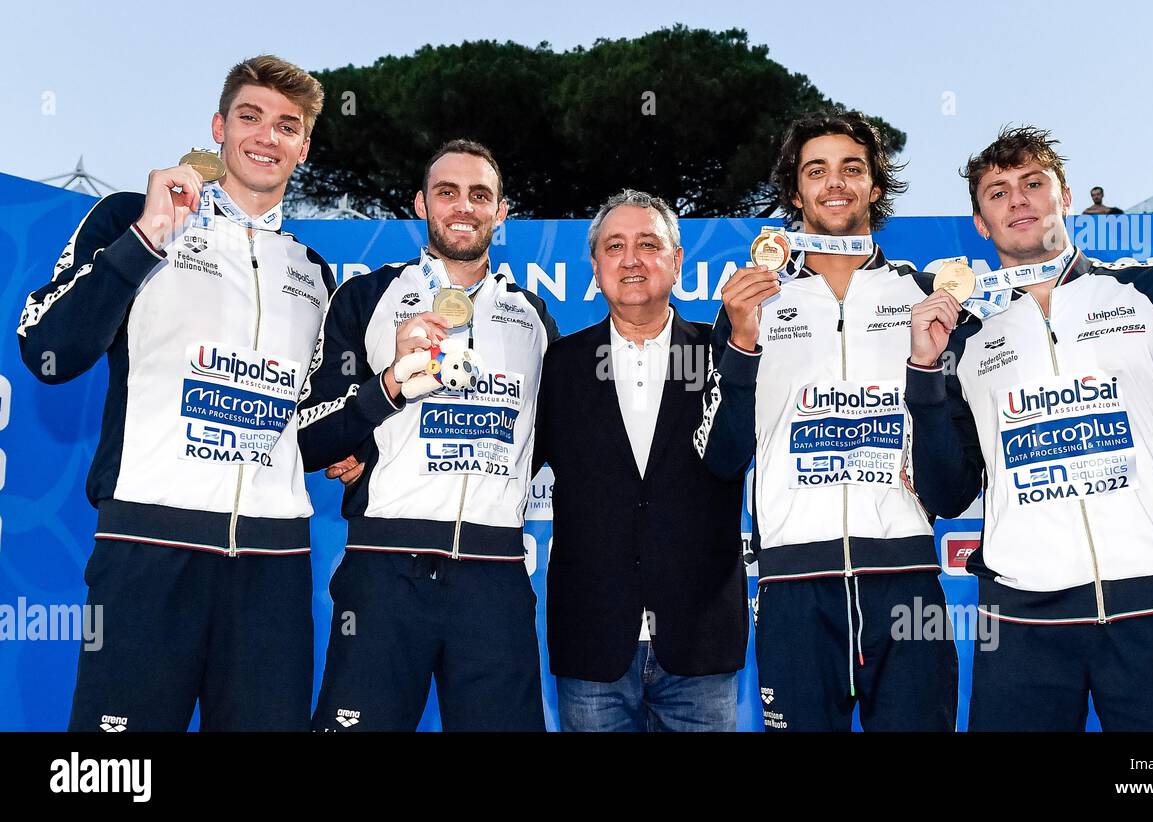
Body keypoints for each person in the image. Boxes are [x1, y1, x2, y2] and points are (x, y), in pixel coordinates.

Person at [906, 126, 1153, 731]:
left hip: (1152, 613)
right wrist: (923, 372)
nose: (1017, 200)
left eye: (1033, 183)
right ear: (979, 222)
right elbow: (946, 493)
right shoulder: (966, 337)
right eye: (997, 192)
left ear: (1065, 197)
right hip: (1019, 629)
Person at [16, 55, 332, 731]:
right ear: (219, 127)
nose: (265, 137)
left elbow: (305, 423)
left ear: (303, 147)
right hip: (147, 552)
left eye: (286, 126)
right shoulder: (133, 217)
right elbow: (48, 351)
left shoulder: (313, 271)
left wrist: (364, 433)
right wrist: (147, 238)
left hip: (274, 570)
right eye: (249, 117)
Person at [695, 110, 958, 732]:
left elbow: (958, 475)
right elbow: (720, 456)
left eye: (852, 169)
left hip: (907, 585)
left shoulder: (927, 300)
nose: (834, 184)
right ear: (796, 192)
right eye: (817, 171)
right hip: (793, 586)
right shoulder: (750, 306)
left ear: (875, 186)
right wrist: (741, 345)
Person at [297, 139, 557, 731]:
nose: (463, 207)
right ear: (421, 203)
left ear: (502, 211)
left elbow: (539, 441)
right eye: (447, 192)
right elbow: (307, 437)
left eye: (479, 195)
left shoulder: (535, 318)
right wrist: (382, 394)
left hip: (494, 575)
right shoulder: (365, 297)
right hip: (385, 570)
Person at [533, 190, 748, 732]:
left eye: (649, 244)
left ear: (677, 262)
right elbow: (503, 459)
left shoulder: (725, 356)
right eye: (615, 246)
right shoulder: (558, 365)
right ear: (595, 266)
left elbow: (742, 456)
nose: (631, 259)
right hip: (592, 645)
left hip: (700, 645)